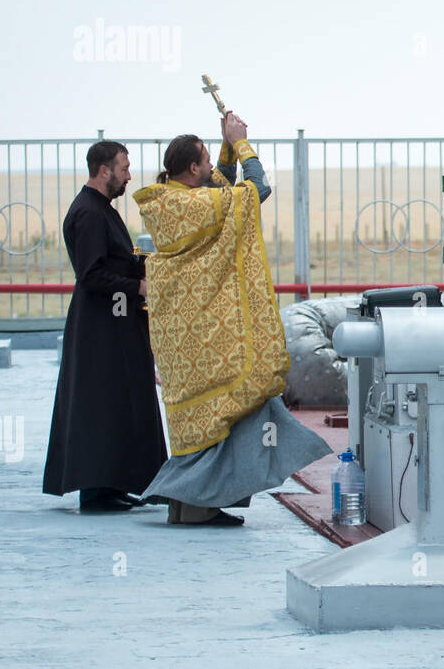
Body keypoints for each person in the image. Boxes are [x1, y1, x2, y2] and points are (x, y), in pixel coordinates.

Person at [135, 112, 331, 526]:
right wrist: (242, 144)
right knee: (225, 410)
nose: (211, 169)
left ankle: (189, 504)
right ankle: (195, 507)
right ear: (192, 168)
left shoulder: (170, 201)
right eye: (206, 161)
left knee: (198, 424)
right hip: (209, 338)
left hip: (181, 339)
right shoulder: (200, 205)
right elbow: (255, 189)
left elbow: (218, 194)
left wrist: (222, 151)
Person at [43, 140, 168, 511]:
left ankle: (113, 483)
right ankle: (97, 490)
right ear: (104, 171)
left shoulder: (101, 210)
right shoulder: (91, 214)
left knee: (117, 402)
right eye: (124, 169)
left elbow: (117, 261)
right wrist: (139, 286)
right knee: (101, 403)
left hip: (112, 323)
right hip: (100, 327)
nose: (129, 176)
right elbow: (93, 275)